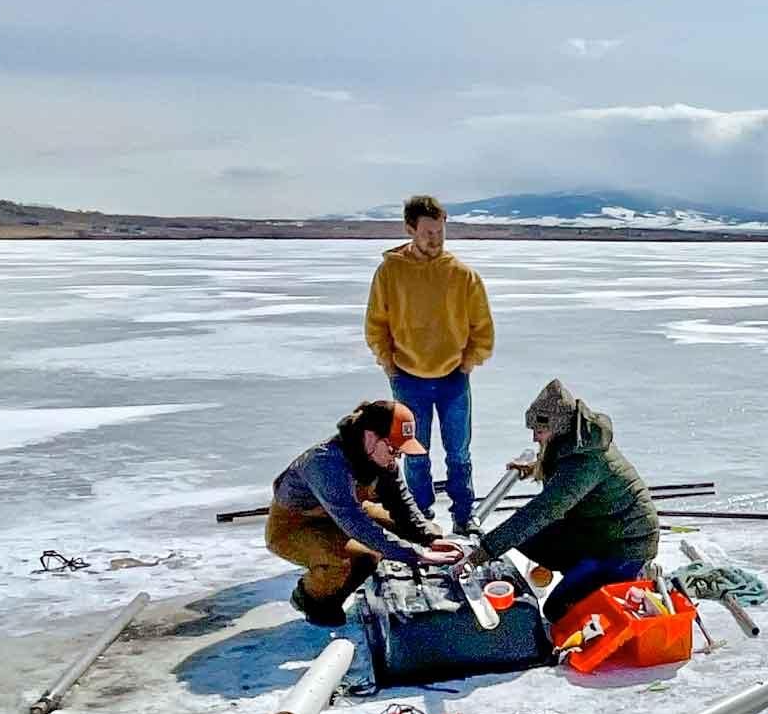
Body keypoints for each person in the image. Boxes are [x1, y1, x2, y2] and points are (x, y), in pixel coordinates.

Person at [470, 379, 660, 624]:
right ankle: (581, 573)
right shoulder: (574, 437)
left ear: (557, 426)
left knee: (559, 611)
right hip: (599, 529)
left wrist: (482, 552)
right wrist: (534, 467)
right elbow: (559, 462)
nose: (535, 438)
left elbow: (542, 511)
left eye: (539, 431)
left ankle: (628, 577)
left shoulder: (586, 461)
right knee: (530, 539)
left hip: (626, 546)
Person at [266, 400, 463, 627]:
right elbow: (357, 526)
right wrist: (416, 554)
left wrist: (430, 540)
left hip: (342, 512)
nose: (396, 457)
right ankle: (311, 600)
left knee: (426, 532)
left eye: (400, 451)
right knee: (359, 559)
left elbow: (402, 504)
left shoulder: (380, 456)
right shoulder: (325, 463)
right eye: (393, 449)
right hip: (296, 526)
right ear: (370, 437)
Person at [364, 194, 495, 535]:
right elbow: (376, 323)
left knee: (459, 453)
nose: (435, 239)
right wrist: (388, 363)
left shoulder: (462, 276)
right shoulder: (391, 272)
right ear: (410, 229)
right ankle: (420, 515)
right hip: (408, 378)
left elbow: (482, 328)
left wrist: (468, 363)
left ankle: (464, 516)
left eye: (440, 231)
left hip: (453, 377)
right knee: (416, 454)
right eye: (427, 232)